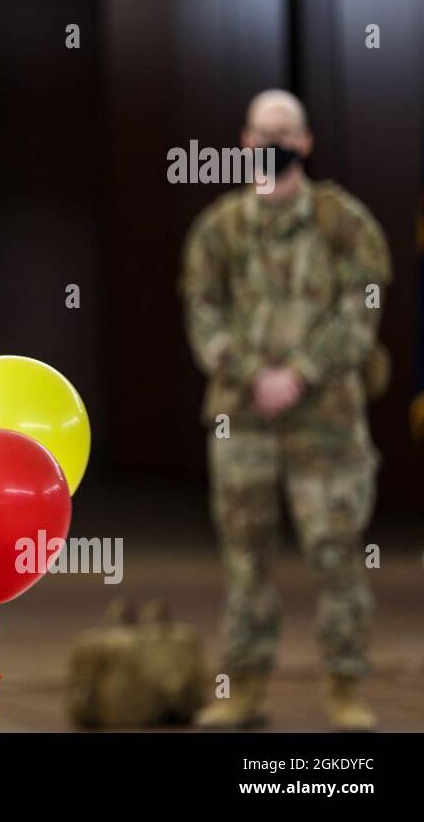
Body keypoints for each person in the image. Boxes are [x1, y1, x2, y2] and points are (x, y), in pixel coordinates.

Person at [181, 89, 390, 731]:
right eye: (261, 131)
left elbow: (365, 307)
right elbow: (202, 310)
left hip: (327, 421)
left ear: (303, 143)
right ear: (244, 142)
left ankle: (346, 689)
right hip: (242, 419)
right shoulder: (219, 228)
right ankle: (243, 688)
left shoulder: (344, 222)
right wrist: (252, 374)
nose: (272, 143)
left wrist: (298, 375)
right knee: (245, 558)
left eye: (286, 132)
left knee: (335, 551)